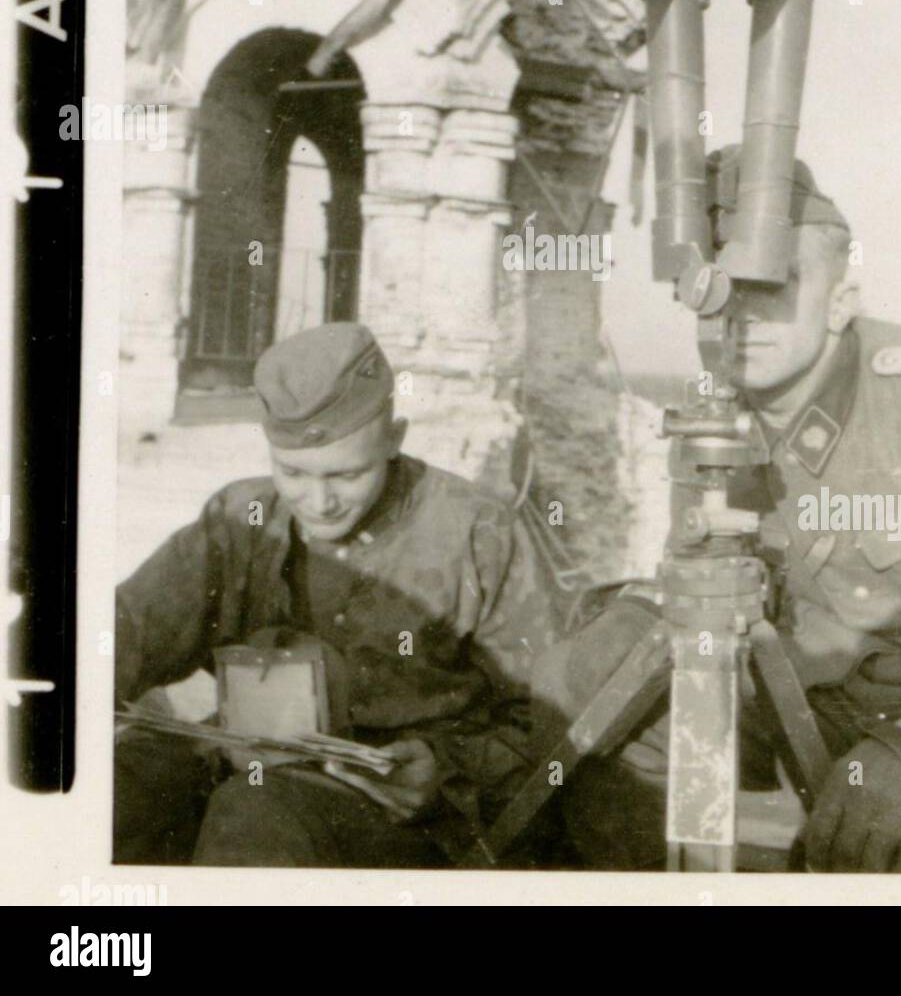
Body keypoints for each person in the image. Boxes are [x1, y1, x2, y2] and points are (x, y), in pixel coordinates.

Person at [532, 157, 901, 872]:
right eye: (719, 293)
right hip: (780, 699)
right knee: (587, 695)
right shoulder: (715, 416)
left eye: (770, 291)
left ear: (840, 302)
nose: (741, 320)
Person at [114, 321, 564, 867]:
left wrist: (445, 767)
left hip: (403, 817)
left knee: (254, 815)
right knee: (120, 790)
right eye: (293, 473)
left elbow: (547, 716)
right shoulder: (240, 521)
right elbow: (127, 628)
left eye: (347, 476)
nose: (318, 501)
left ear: (394, 439)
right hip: (246, 764)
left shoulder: (477, 534)